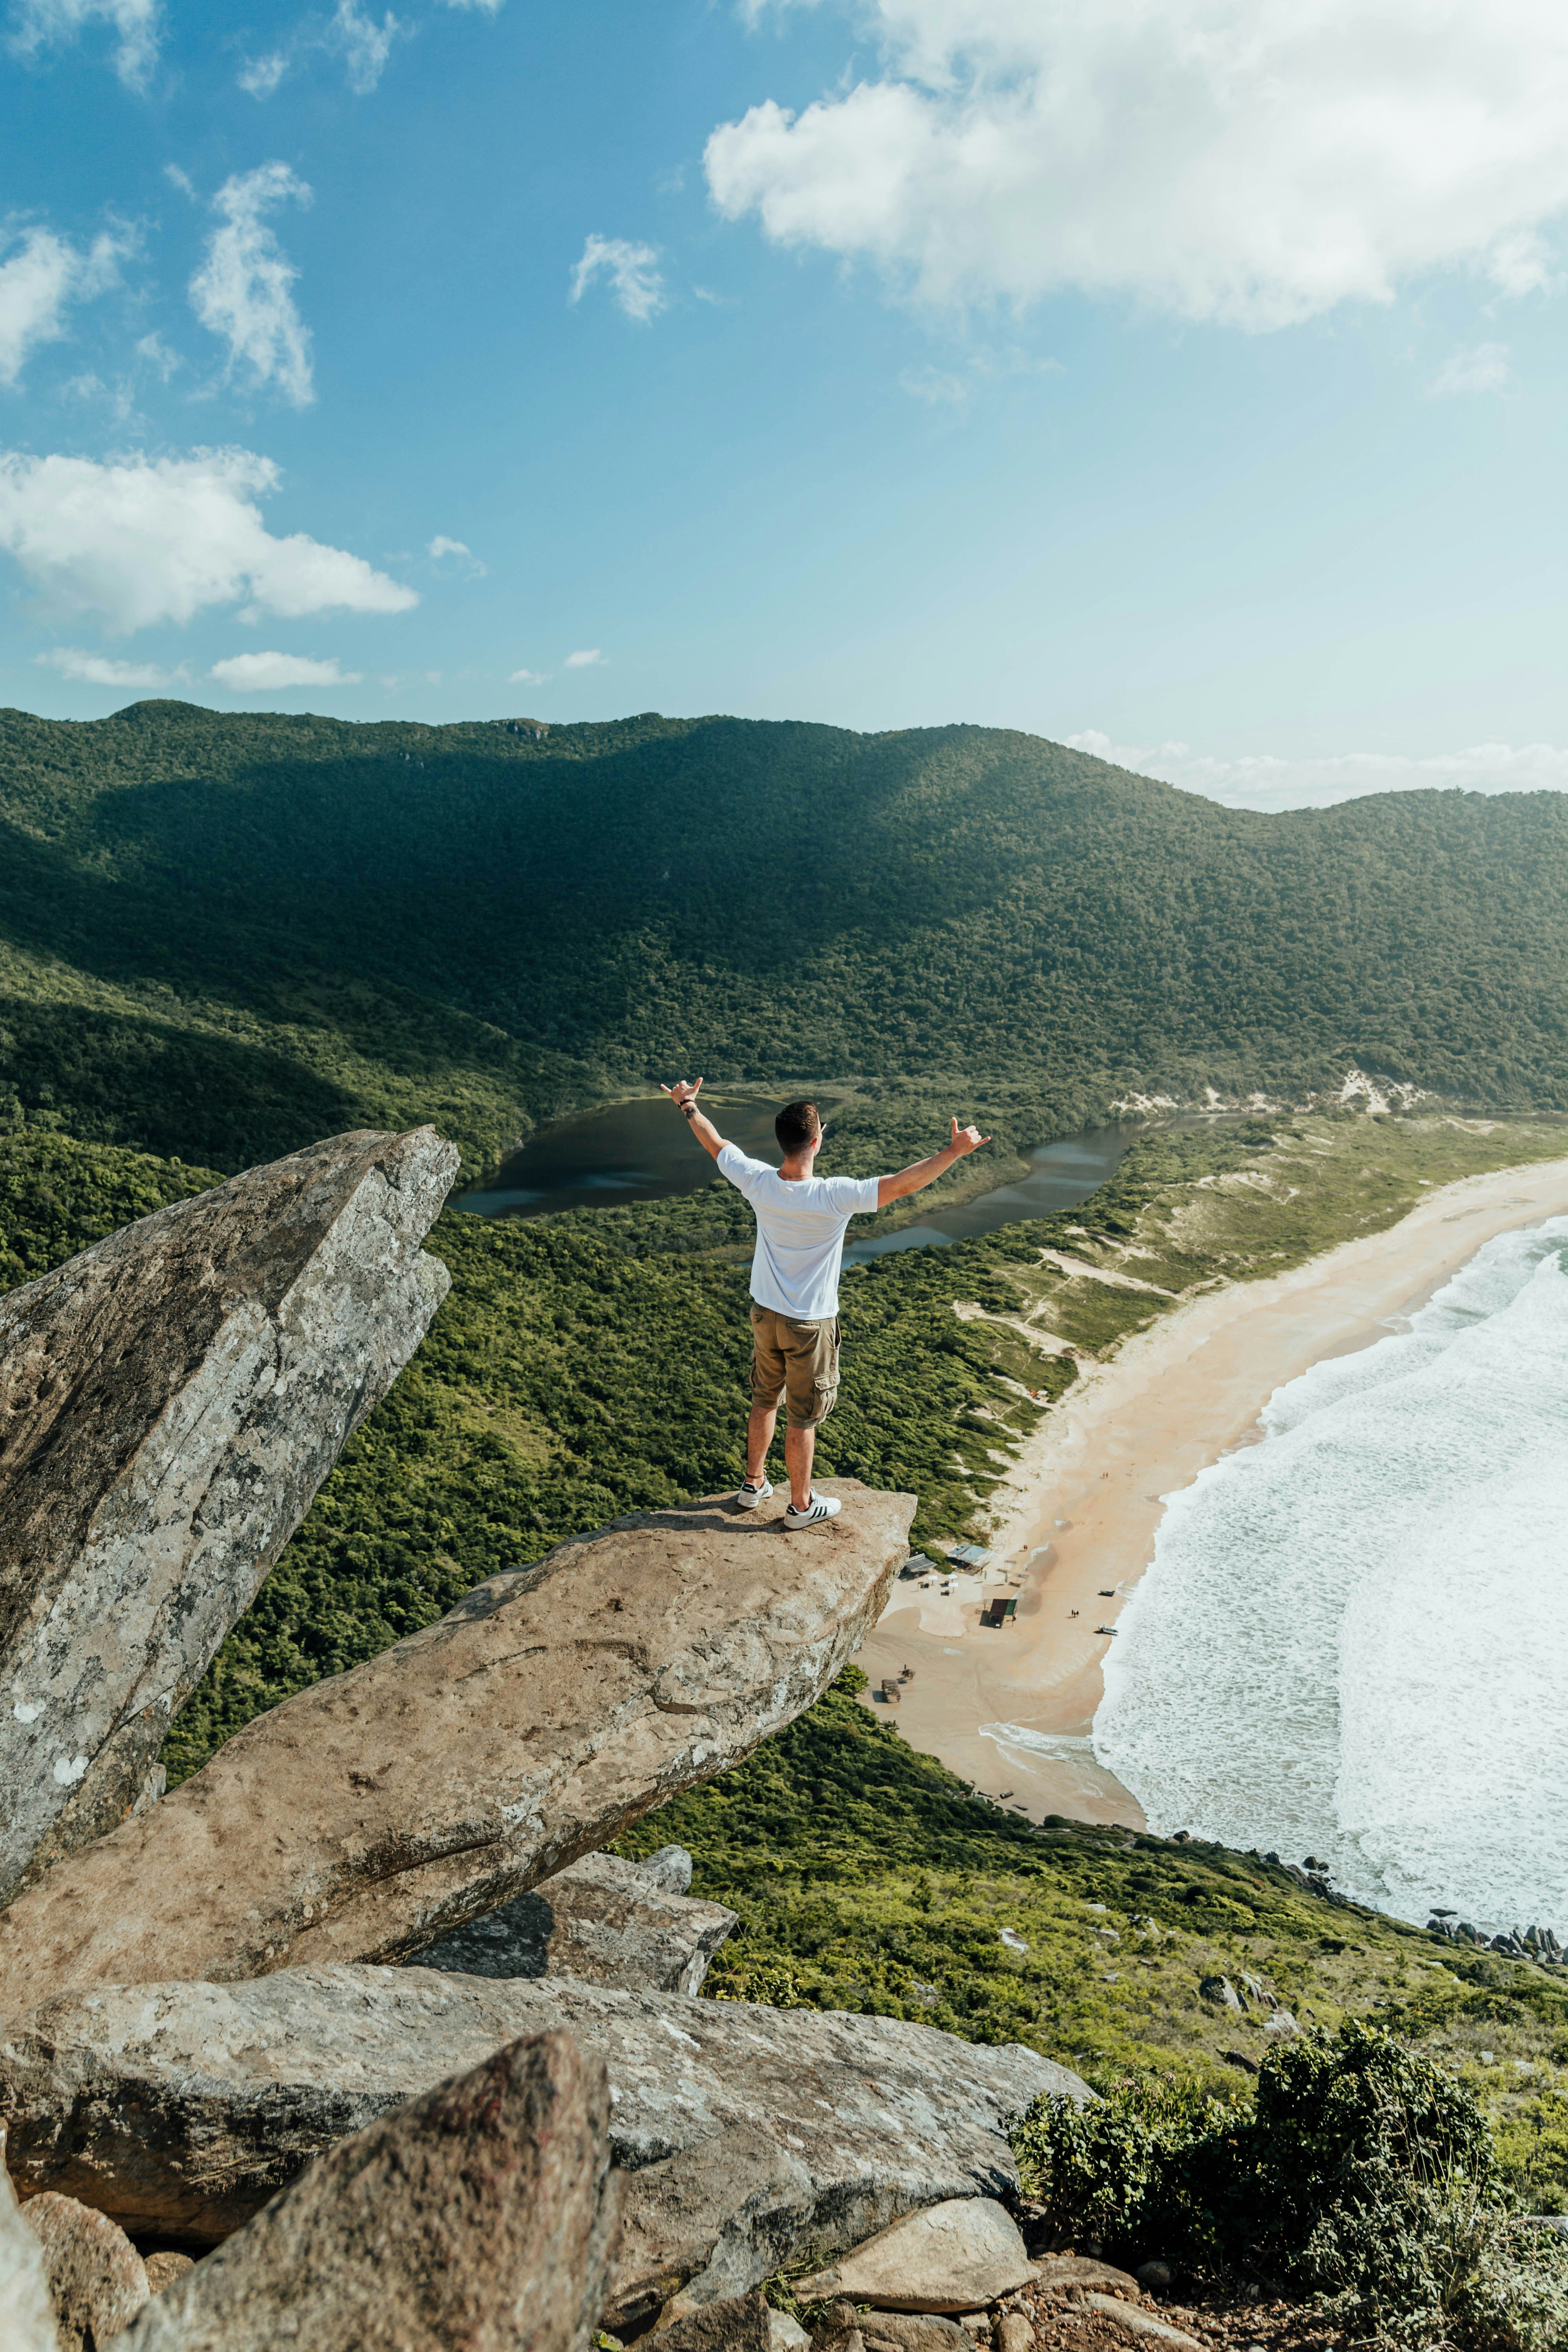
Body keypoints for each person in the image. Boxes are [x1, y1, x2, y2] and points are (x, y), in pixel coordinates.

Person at [661, 1082, 989, 1526]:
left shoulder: (757, 1181)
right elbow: (901, 1186)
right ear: (817, 1140)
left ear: (783, 1142)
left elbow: (714, 1142)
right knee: (803, 1417)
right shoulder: (833, 1195)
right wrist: (953, 1153)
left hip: (765, 1313)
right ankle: (800, 1506)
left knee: (764, 1399)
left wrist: (688, 1104)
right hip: (809, 1324)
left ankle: (753, 1484)